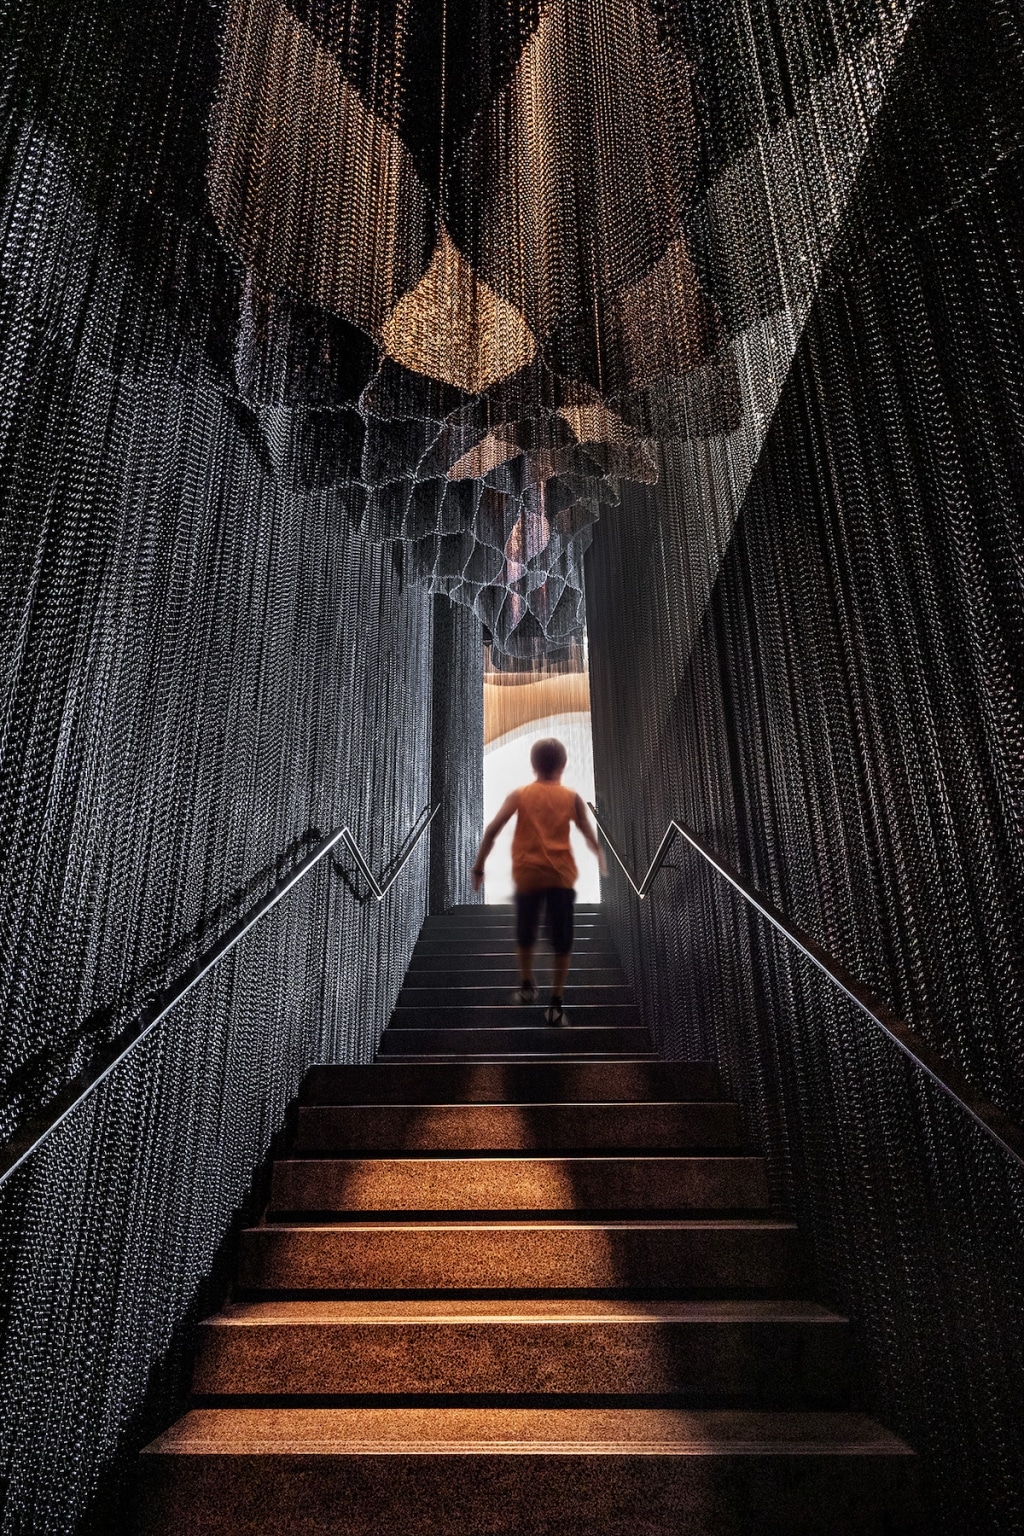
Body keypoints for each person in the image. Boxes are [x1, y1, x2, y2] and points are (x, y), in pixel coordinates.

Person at [471, 737, 607, 1024]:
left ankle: (527, 984)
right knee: (562, 941)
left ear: (533, 764)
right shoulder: (570, 797)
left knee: (526, 933)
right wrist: (600, 855)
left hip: (528, 875)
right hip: (560, 877)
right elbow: (586, 832)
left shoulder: (520, 794)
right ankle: (555, 1003)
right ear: (563, 764)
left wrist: (479, 867)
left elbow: (493, 830)